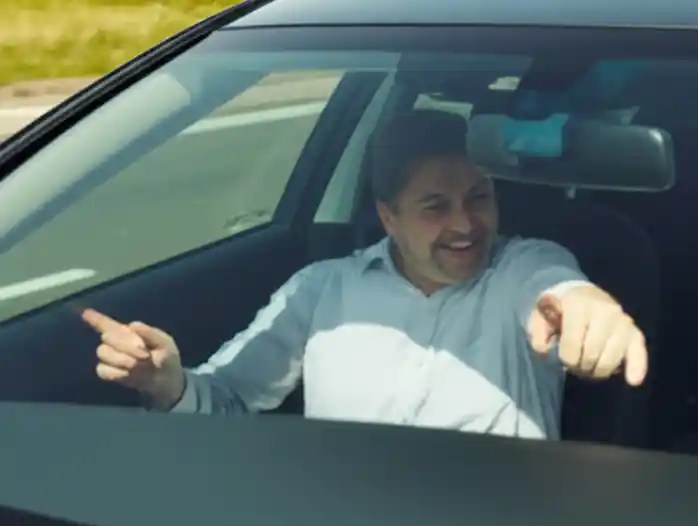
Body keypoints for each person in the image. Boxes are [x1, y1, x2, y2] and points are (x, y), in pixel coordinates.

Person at [80, 110, 648, 441]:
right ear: (387, 216)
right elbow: (228, 399)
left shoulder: (521, 266)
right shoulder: (322, 290)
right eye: (435, 206)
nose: (466, 223)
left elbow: (559, 287)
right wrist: (168, 384)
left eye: (480, 197)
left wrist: (589, 307)